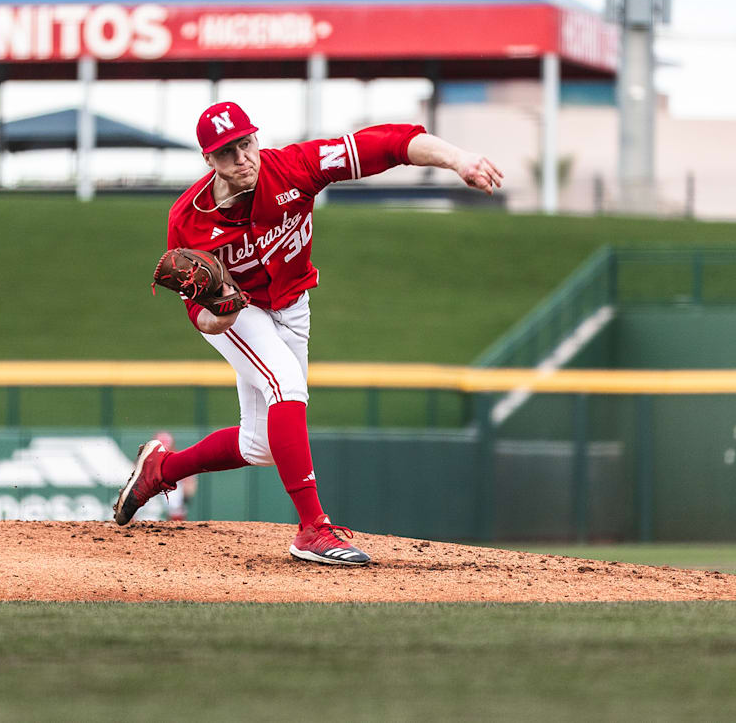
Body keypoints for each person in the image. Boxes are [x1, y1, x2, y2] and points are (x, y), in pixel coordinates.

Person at [114, 102, 502, 565]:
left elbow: (388, 144)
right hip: (240, 313)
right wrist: (223, 312)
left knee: (258, 446)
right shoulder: (189, 220)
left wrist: (458, 159)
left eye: (246, 143)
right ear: (208, 161)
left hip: (294, 303)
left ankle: (161, 469)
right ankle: (313, 530)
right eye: (227, 152)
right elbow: (201, 317)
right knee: (285, 384)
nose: (242, 158)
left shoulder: (296, 167)